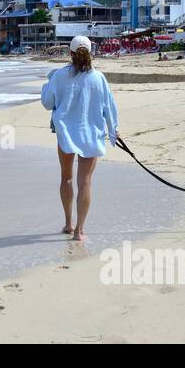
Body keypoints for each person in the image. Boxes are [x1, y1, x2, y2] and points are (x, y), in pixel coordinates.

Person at [40, 36, 119, 242]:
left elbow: (47, 103)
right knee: (85, 183)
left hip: (66, 133)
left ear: (71, 53)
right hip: (91, 134)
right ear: (90, 53)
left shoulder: (58, 76)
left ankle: (68, 223)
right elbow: (109, 107)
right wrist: (113, 131)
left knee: (66, 178)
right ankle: (80, 231)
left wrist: (45, 87)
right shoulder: (98, 78)